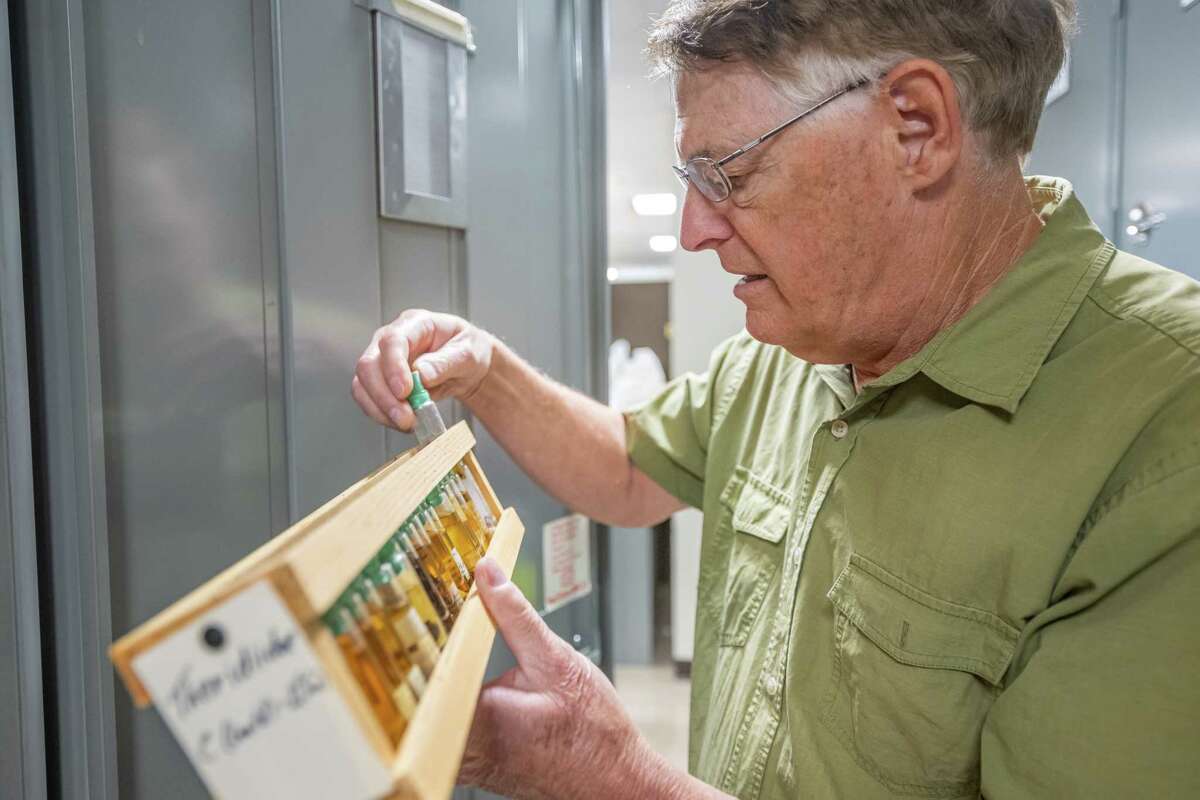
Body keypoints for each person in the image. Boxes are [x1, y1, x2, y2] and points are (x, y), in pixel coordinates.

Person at [352, 1, 1200, 797]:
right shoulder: (798, 345)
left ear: (916, 127)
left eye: (727, 171)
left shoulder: (1162, 430)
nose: (693, 228)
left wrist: (619, 780)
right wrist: (485, 368)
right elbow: (626, 471)